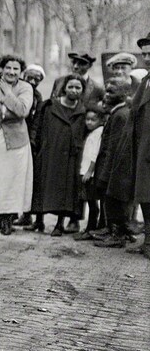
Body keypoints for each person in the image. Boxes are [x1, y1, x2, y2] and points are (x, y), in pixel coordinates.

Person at [30, 74, 88, 235]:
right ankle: (38, 221)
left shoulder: (82, 111)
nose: (74, 90)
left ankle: (59, 224)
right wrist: (36, 146)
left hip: (70, 157)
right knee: (42, 184)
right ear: (64, 88)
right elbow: (37, 127)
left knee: (65, 189)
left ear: (82, 90)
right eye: (71, 87)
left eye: (78, 88)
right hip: (49, 152)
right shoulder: (49, 106)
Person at [0, 56, 34, 235]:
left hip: (17, 140)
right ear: (2, 68)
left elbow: (22, 110)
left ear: (20, 73)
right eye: (8, 68)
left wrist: (8, 93)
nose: (12, 72)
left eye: (16, 69)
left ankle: (8, 219)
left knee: (14, 180)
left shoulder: (25, 87)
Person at [92, 79, 135, 249]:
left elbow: (114, 148)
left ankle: (117, 235)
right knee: (111, 199)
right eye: (107, 91)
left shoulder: (120, 115)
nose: (107, 95)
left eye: (112, 92)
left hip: (117, 168)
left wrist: (105, 173)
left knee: (115, 200)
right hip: (115, 167)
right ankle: (114, 230)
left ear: (124, 94)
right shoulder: (118, 112)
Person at [121, 34, 150, 257]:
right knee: (144, 197)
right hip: (142, 149)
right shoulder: (147, 80)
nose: (147, 58)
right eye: (145, 54)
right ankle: (147, 241)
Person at [13, 63, 46, 228]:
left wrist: (32, 141)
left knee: (33, 179)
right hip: (15, 136)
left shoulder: (38, 98)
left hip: (31, 141)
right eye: (29, 78)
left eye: (36, 79)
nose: (32, 81)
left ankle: (34, 217)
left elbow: (36, 123)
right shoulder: (17, 90)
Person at [72, 107, 104, 239]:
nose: (89, 122)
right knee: (89, 201)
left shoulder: (98, 133)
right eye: (87, 119)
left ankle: (91, 228)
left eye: (93, 120)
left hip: (89, 173)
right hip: (85, 171)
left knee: (92, 203)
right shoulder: (92, 133)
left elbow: (95, 154)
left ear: (100, 120)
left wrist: (89, 171)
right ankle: (91, 228)